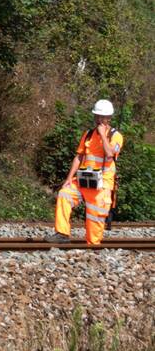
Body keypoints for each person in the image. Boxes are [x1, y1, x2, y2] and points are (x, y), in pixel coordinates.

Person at [50, 99, 124, 245]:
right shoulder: (88, 134)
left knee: (94, 228)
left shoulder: (116, 136)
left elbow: (110, 154)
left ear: (108, 118)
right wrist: (69, 178)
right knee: (64, 194)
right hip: (83, 179)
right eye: (96, 116)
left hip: (101, 185)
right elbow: (79, 156)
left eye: (101, 117)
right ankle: (62, 233)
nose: (98, 120)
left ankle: (93, 248)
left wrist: (103, 135)